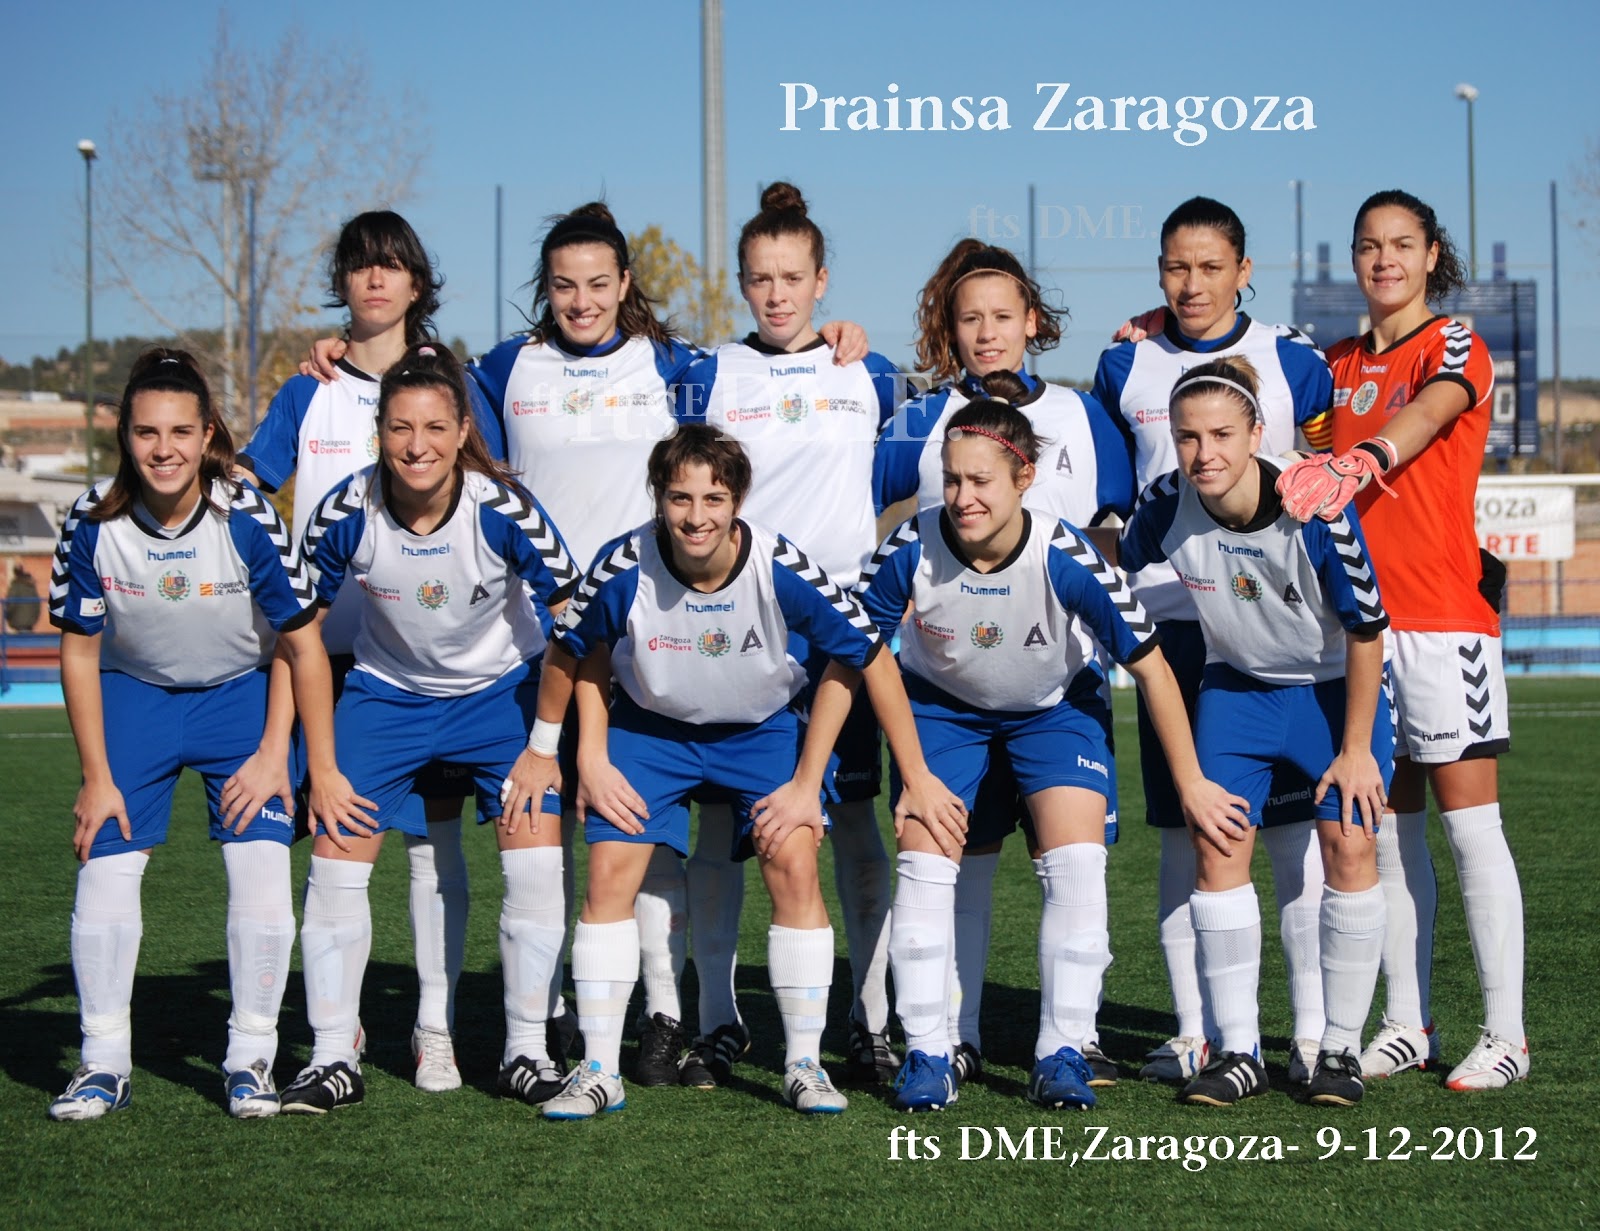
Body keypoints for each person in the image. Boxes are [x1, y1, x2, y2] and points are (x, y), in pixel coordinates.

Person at [303, 203, 872, 1087]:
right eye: (564, 285)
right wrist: (348, 360)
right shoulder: (504, 367)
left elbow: (769, 379)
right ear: (546, 291)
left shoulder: (676, 366)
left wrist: (836, 338)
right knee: (565, 831)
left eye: (598, 283)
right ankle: (550, 1016)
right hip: (540, 644)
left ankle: (660, 1011)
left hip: (653, 634)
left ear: (625, 287)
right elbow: (427, 399)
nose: (581, 301)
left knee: (649, 839)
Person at [503, 425, 966, 1119]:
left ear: (738, 500)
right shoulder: (624, 559)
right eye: (680, 497)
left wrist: (898, 775)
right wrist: (570, 753)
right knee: (608, 875)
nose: (696, 516)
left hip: (761, 730)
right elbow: (574, 651)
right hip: (651, 730)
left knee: (795, 863)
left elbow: (869, 656)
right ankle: (599, 1068)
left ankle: (802, 1063)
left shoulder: (778, 562)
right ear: (659, 498)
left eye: (714, 498)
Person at [861, 373, 1242, 1112]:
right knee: (924, 855)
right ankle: (930, 1050)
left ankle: (1061, 1047)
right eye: (950, 480)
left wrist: (1190, 779)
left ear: (1023, 477)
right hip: (942, 709)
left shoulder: (1067, 553)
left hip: (1053, 710)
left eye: (980, 480)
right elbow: (866, 654)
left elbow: (1152, 665)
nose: (963, 496)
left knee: (1075, 863)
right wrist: (911, 772)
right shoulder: (913, 541)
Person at [280, 344, 579, 1114]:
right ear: (378, 432)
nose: (418, 445)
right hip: (387, 697)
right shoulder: (346, 510)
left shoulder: (503, 508)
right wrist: (317, 756)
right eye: (401, 428)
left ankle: (526, 1048)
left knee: (535, 862)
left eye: (436, 427)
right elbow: (297, 630)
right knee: (337, 857)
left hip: (499, 695)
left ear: (460, 430)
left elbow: (577, 626)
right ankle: (332, 1051)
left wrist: (547, 748)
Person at [1276, 189, 1527, 1090]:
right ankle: (1406, 1022)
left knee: (1472, 831)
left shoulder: (1452, 341)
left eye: (1402, 245)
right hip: (1359, 634)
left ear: (1431, 257)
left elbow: (1432, 409)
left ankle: (1505, 1033)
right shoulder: (1332, 361)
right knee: (1387, 838)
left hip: (1443, 621)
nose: (1384, 260)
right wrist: (1148, 326)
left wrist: (1366, 456)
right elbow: (1263, 379)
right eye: (1369, 246)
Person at [45, 349, 337, 1120]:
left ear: (208, 432)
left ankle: (251, 1057)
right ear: (124, 435)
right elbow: (77, 649)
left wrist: (280, 752)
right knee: (105, 870)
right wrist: (95, 774)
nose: (164, 449)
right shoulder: (89, 521)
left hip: (238, 702)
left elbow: (300, 643)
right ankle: (103, 1059)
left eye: (181, 431)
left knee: (260, 870)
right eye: (146, 432)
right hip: (134, 699)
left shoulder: (247, 516)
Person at [872, 239, 1133, 1086]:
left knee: (1072, 860)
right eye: (968, 317)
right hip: (947, 681)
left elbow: (1117, 526)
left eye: (1001, 316)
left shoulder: (1085, 415)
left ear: (1033, 323)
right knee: (957, 859)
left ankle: (1069, 1040)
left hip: (1056, 683)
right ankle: (948, 1038)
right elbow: (852, 506)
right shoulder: (915, 417)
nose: (986, 333)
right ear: (949, 329)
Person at [1093, 196, 1335, 1086]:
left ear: (1243, 270)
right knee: (1183, 830)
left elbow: (1325, 470)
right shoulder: (1125, 359)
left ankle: (1312, 1034)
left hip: (1270, 625)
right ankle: (1196, 1029)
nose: (1190, 284)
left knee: (1293, 835)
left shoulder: (1297, 360)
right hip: (1173, 619)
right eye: (1174, 267)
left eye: (1208, 266)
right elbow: (1118, 507)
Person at [673, 182, 905, 1087]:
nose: (776, 295)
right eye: (759, 279)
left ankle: (870, 1014)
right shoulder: (705, 374)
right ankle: (718, 1015)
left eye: (792, 277)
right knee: (726, 824)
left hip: (839, 634)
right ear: (742, 285)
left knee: (850, 818)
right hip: (738, 632)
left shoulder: (870, 373)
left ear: (822, 282)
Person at [239, 210, 477, 1092]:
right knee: (334, 844)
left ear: (418, 282)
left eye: (391, 267)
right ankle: (331, 1034)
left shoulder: (457, 383)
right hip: (319, 662)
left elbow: (494, 489)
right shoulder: (312, 387)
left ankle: (435, 1027)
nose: (374, 280)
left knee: (430, 848)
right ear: (342, 284)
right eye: (358, 268)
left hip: (424, 657)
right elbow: (247, 486)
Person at [1121, 355, 1393, 1107]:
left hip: (1333, 691)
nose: (1204, 452)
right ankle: (1238, 1049)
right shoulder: (1166, 501)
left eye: (1221, 434)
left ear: (1256, 433)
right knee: (1217, 843)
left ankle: (1337, 1047)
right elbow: (1113, 565)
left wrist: (1357, 749)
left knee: (1349, 841)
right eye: (1187, 436)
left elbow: (1368, 626)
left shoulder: (1315, 508)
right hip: (1235, 690)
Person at [6, 562, 41, 631]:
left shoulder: (15, 586)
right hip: (30, 621)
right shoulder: (31, 585)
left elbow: (10, 604)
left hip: (18, 621)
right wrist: (35, 618)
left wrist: (8, 616)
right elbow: (37, 604)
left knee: (20, 640)